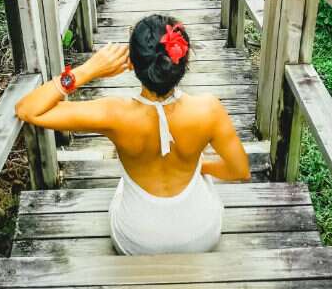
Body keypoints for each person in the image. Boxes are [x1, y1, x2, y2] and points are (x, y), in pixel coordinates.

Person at [15, 13, 250, 255]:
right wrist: (202, 167)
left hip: (138, 240)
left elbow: (28, 109)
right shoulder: (208, 109)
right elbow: (240, 170)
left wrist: (88, 70)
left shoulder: (114, 114)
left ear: (133, 64)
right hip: (200, 235)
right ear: (183, 60)